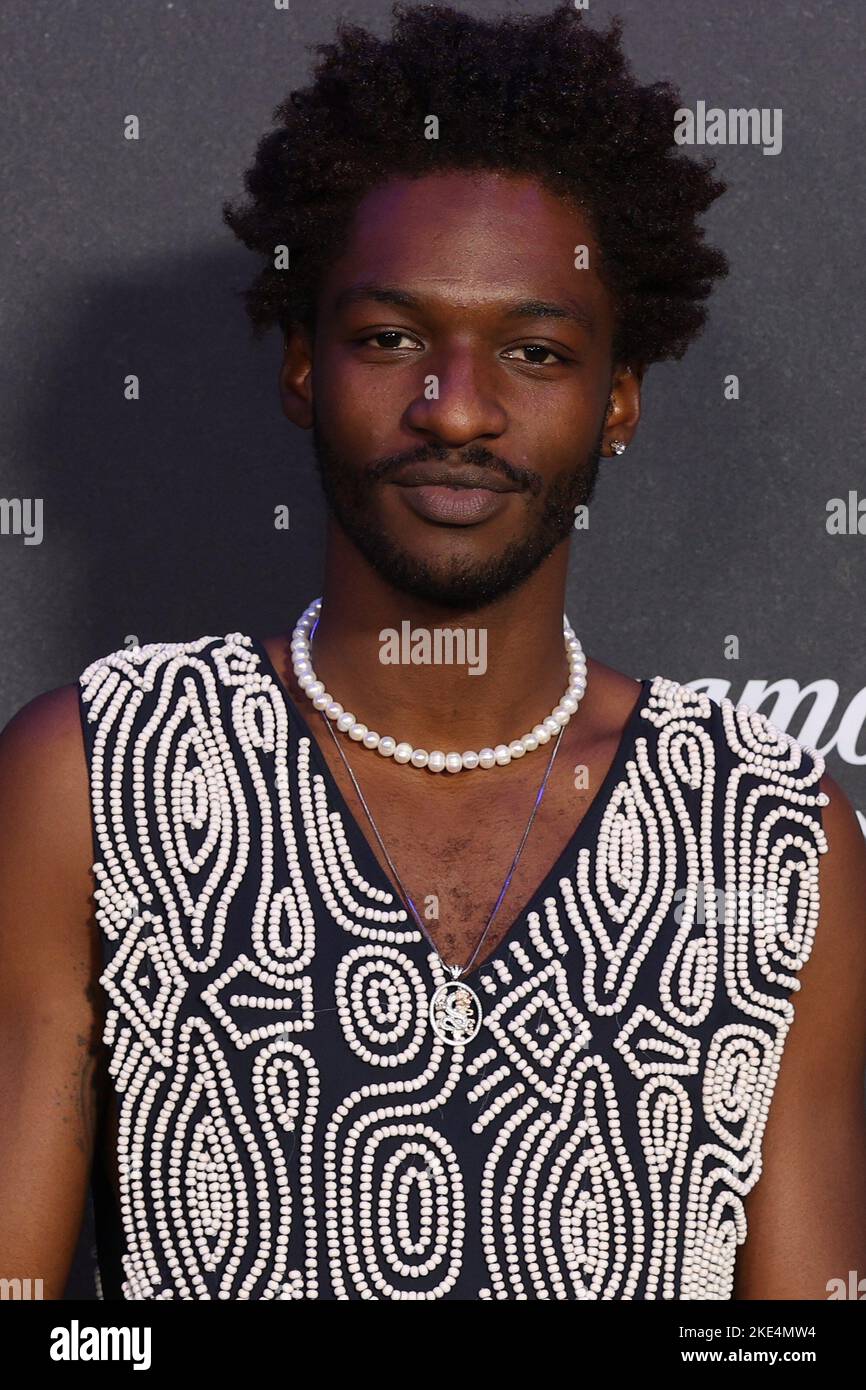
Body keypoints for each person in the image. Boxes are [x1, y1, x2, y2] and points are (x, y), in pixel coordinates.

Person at [1, 2, 864, 1302]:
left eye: (533, 350)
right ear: (301, 366)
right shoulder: (100, 777)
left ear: (617, 396)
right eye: (388, 338)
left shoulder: (767, 827)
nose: (454, 406)